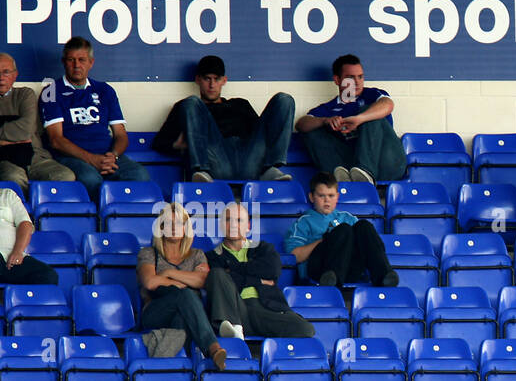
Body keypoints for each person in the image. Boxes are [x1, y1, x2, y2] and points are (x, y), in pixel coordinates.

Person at [152, 54, 294, 183]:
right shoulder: (189, 108)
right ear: (198, 80)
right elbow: (159, 143)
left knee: (284, 99)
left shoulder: (240, 104)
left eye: (216, 79)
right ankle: (202, 170)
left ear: (224, 81)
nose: (212, 85)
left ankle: (271, 167)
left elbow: (262, 135)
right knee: (192, 102)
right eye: (207, 79)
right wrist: (178, 145)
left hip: (249, 160)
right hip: (216, 161)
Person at [39, 36, 149, 193]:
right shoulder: (51, 92)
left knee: (139, 175)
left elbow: (120, 134)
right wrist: (91, 159)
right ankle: (97, 217)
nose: (76, 65)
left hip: (106, 156)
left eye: (82, 60)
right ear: (64, 62)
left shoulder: (105, 90)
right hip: (71, 157)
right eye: (71, 60)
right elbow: (56, 140)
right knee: (91, 180)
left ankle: (121, 216)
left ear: (91, 62)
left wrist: (113, 156)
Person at [138, 202, 227, 370]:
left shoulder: (197, 255)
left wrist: (168, 274)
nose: (174, 227)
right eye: (169, 223)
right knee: (187, 295)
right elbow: (150, 282)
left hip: (186, 313)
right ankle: (213, 348)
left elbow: (203, 281)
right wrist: (184, 282)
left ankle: (181, 370)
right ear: (161, 227)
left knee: (182, 316)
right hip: (156, 311)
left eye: (179, 223)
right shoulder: (149, 253)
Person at [206, 201, 314, 340]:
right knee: (217, 274)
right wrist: (258, 280)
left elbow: (273, 270)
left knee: (305, 328)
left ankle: (240, 331)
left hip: (267, 310)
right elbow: (223, 282)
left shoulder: (263, 248)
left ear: (248, 227)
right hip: (237, 310)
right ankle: (236, 329)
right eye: (228, 220)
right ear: (221, 225)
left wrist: (233, 268)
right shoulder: (212, 257)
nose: (233, 225)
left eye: (239, 220)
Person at [294, 54, 405, 184]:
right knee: (312, 129)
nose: (357, 82)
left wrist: (359, 119)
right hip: (352, 167)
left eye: (360, 77)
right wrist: (325, 121)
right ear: (337, 79)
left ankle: (366, 172)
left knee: (369, 112)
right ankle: (340, 177)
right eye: (350, 77)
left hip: (388, 162)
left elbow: (388, 104)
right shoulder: (329, 107)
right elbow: (301, 124)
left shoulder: (372, 95)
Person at [283, 171, 398, 287]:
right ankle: (331, 278)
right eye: (321, 196)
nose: (326, 200)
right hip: (320, 270)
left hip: (349, 268)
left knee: (364, 226)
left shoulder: (348, 217)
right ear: (312, 197)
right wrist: (325, 240)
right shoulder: (304, 221)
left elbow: (368, 243)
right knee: (343, 230)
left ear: (337, 197)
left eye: (331, 195)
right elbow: (294, 255)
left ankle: (384, 276)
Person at [0, 51, 74, 190]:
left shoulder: (24, 94)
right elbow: (22, 132)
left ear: (15, 75)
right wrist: (15, 133)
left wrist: (3, 139)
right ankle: (24, 211)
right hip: (5, 159)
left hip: (35, 156)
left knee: (64, 175)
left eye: (6, 72)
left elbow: (26, 128)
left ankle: (46, 211)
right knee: (13, 178)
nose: (1, 77)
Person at [0, 185, 58, 286]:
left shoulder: (7, 195)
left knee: (48, 275)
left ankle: (25, 300)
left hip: (11, 257)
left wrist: (17, 252)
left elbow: (25, 224)